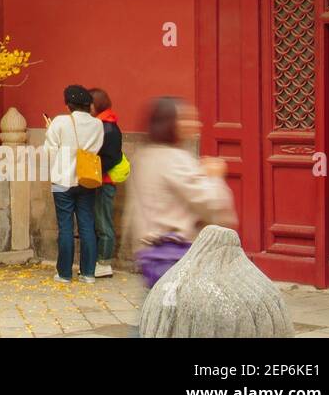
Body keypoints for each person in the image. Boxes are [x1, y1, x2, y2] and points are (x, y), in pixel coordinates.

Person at [127, 96, 237, 288]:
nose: (196, 123)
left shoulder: (143, 157)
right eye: (186, 118)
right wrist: (214, 176)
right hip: (177, 257)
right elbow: (213, 205)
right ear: (170, 123)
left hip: (150, 255)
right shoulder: (175, 159)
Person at [44, 84, 105, 283]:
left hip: (62, 180)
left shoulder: (60, 122)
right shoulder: (97, 125)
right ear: (88, 104)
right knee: (87, 224)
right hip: (86, 179)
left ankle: (64, 273)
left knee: (66, 227)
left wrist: (50, 131)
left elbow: (50, 152)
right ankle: (88, 273)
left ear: (68, 104)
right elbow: (95, 148)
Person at [89, 87, 122, 279]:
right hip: (100, 179)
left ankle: (104, 262)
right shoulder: (106, 124)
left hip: (104, 180)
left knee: (103, 222)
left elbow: (109, 158)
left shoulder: (107, 128)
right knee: (100, 220)